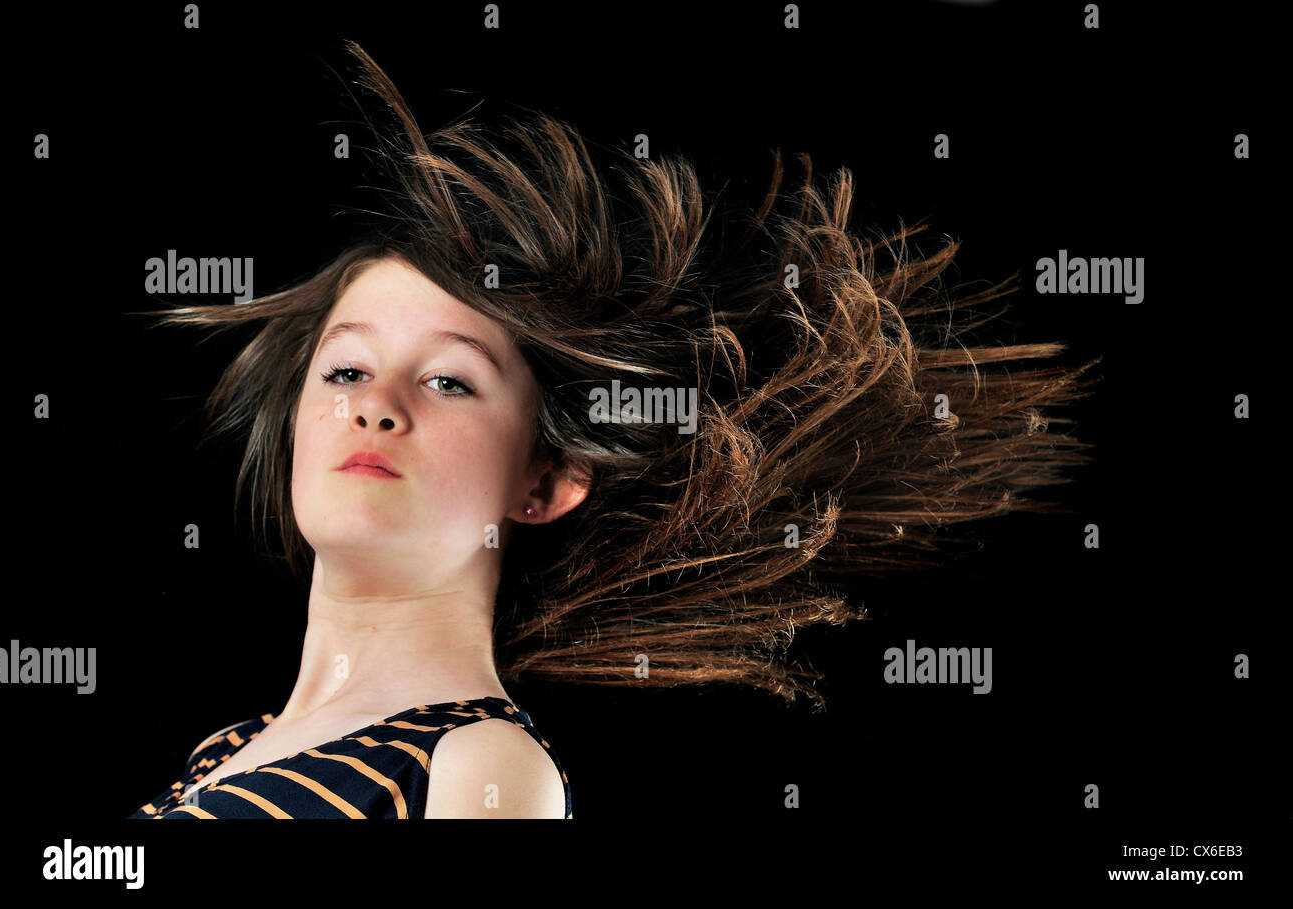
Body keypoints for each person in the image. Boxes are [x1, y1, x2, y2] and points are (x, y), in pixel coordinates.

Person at [128, 42, 1099, 819]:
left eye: (449, 381)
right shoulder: (225, 752)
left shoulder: (480, 766)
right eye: (344, 369)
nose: (377, 403)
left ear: (544, 480)